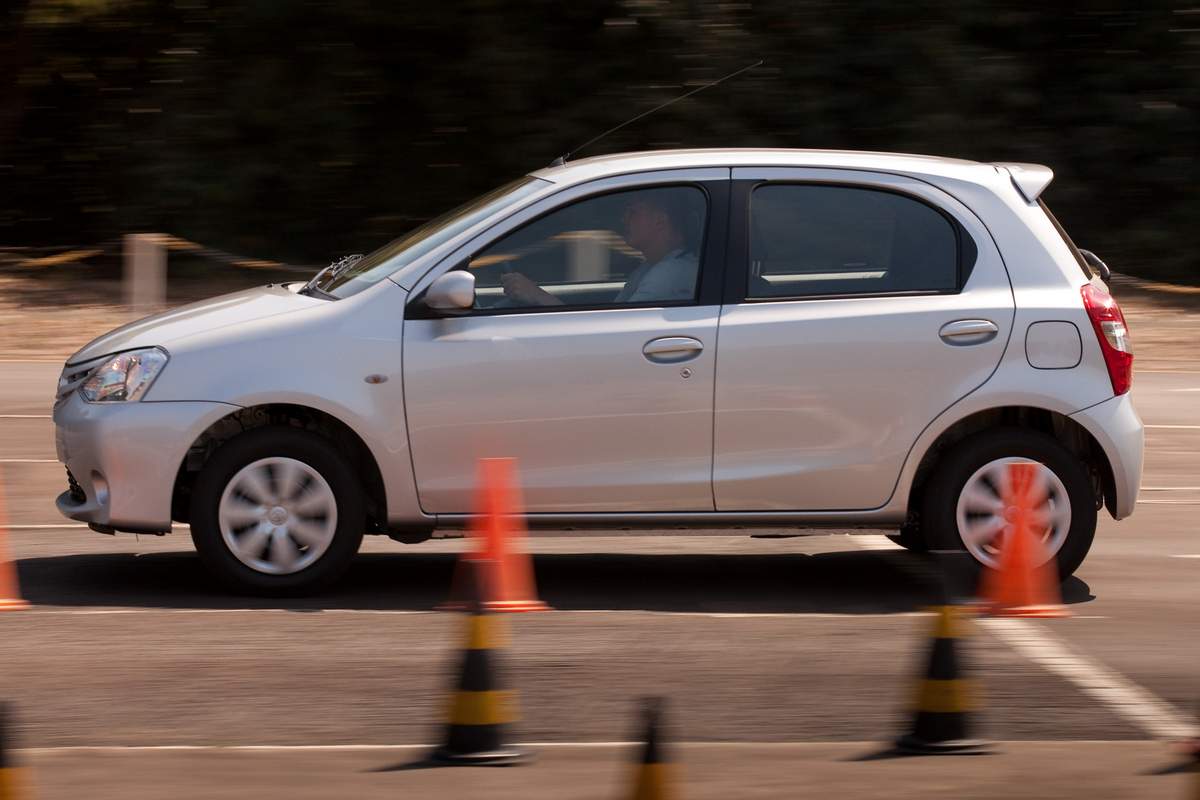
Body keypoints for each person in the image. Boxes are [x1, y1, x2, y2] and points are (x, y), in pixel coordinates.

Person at [500, 190, 699, 306]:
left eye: (633, 212)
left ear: (660, 221)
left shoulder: (670, 274)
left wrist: (537, 295)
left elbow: (614, 336)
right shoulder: (652, 267)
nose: (624, 219)